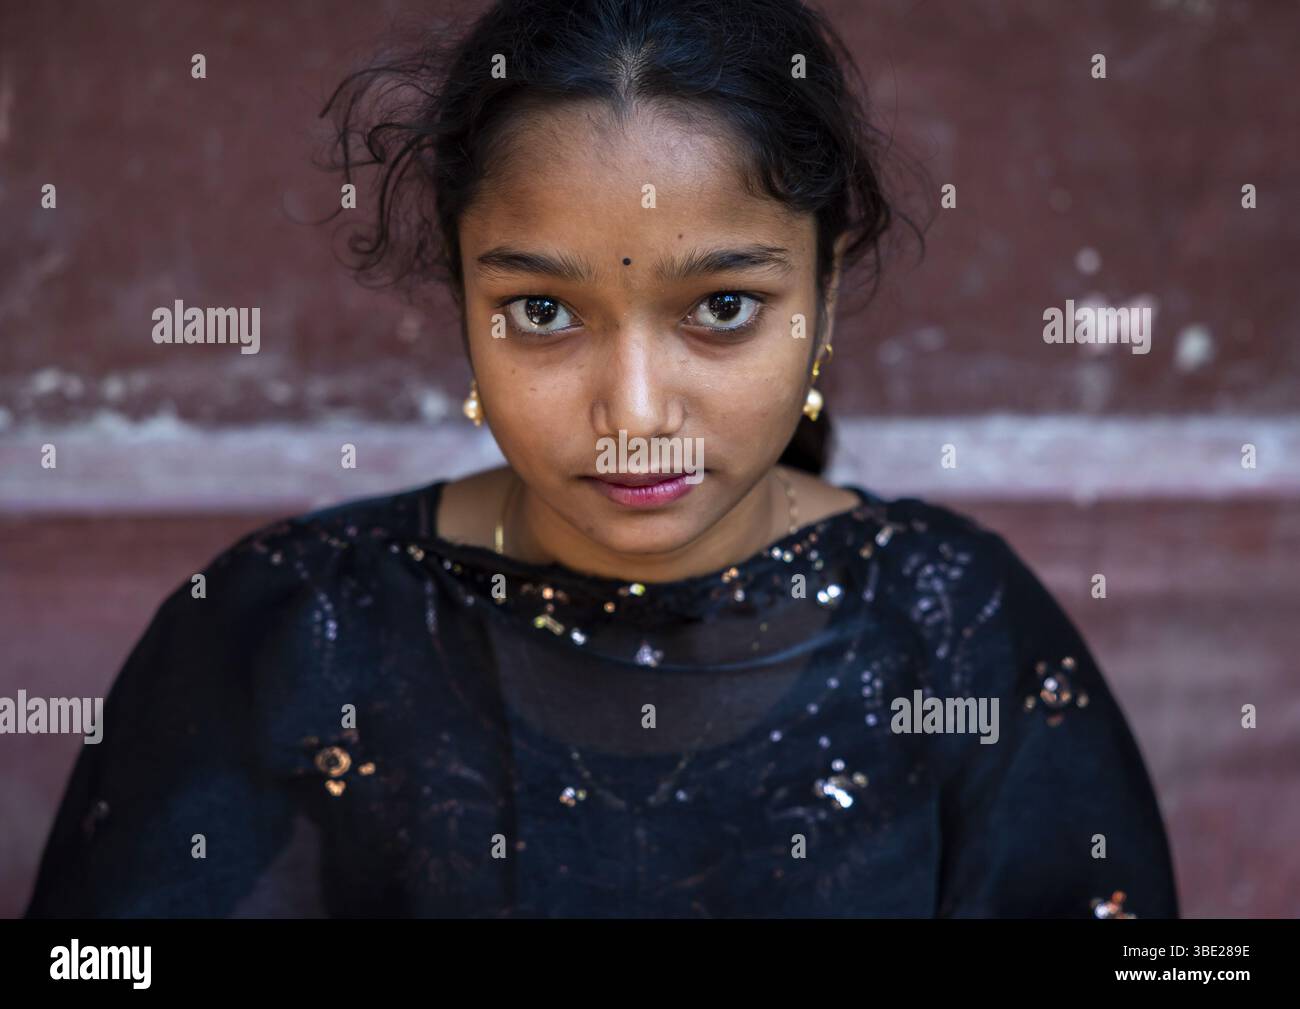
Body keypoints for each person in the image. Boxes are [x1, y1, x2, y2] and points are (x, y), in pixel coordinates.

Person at [25, 0, 1178, 918]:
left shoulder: (955, 633)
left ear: (823, 302)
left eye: (723, 304)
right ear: (464, 304)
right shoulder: (286, 631)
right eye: (542, 312)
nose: (631, 409)